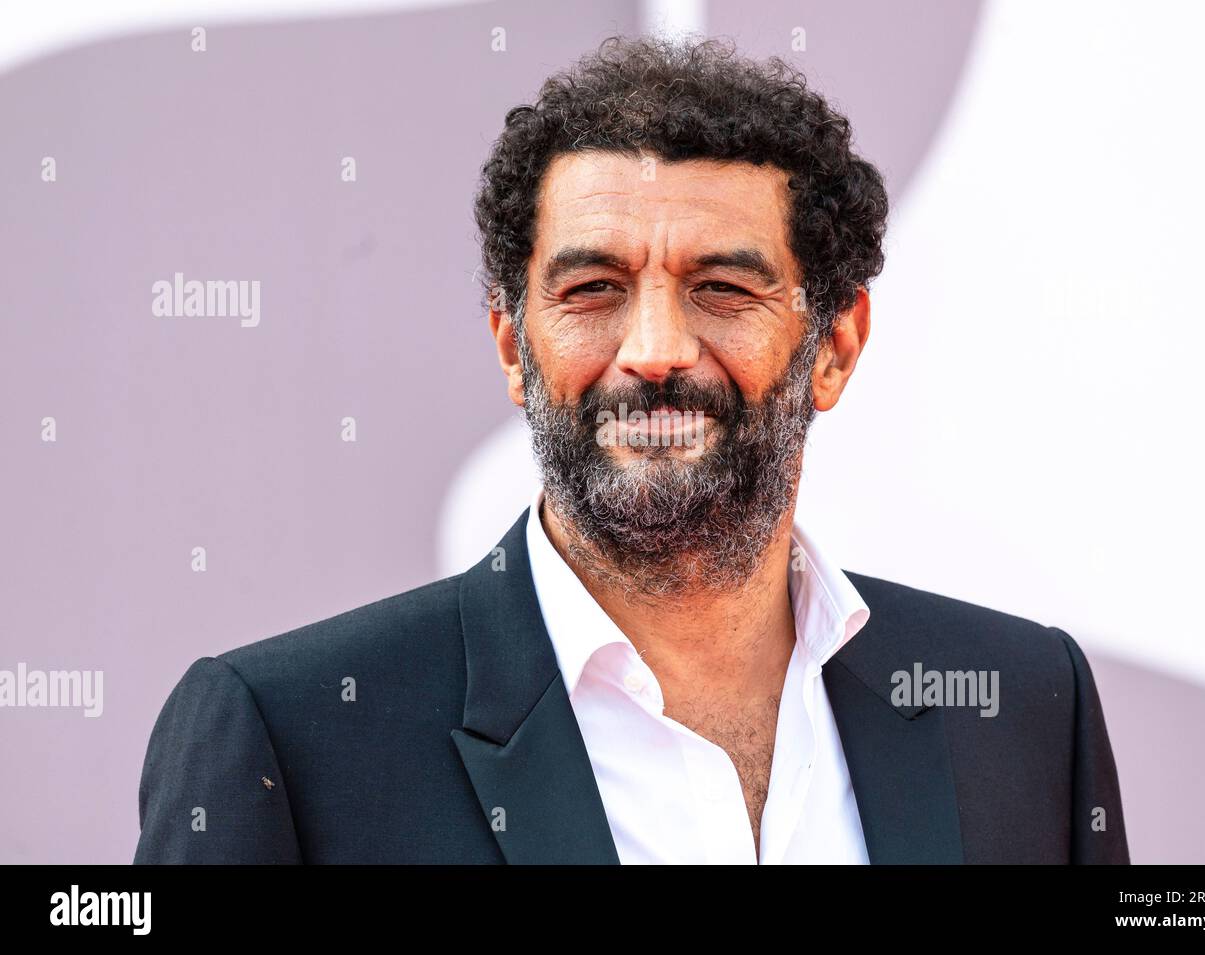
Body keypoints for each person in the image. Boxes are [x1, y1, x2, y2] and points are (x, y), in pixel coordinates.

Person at [134, 35, 1128, 864]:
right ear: (513, 346)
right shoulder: (291, 737)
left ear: (834, 345)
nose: (654, 351)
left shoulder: (1022, 705)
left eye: (722, 289)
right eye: (593, 290)